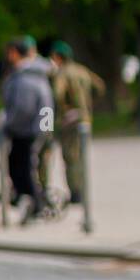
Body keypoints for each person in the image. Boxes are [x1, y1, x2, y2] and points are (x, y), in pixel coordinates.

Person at [1, 36, 54, 223]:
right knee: (28, 165)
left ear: (15, 53)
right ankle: (35, 201)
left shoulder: (24, 76)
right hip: (40, 126)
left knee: (21, 167)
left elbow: (22, 108)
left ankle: (35, 203)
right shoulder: (35, 73)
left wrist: (8, 125)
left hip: (28, 129)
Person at [47, 41, 105, 204]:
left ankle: (76, 192)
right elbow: (100, 86)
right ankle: (83, 188)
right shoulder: (81, 70)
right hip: (85, 118)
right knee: (81, 155)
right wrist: (88, 103)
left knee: (70, 157)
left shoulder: (62, 73)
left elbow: (57, 94)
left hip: (70, 119)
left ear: (58, 57)